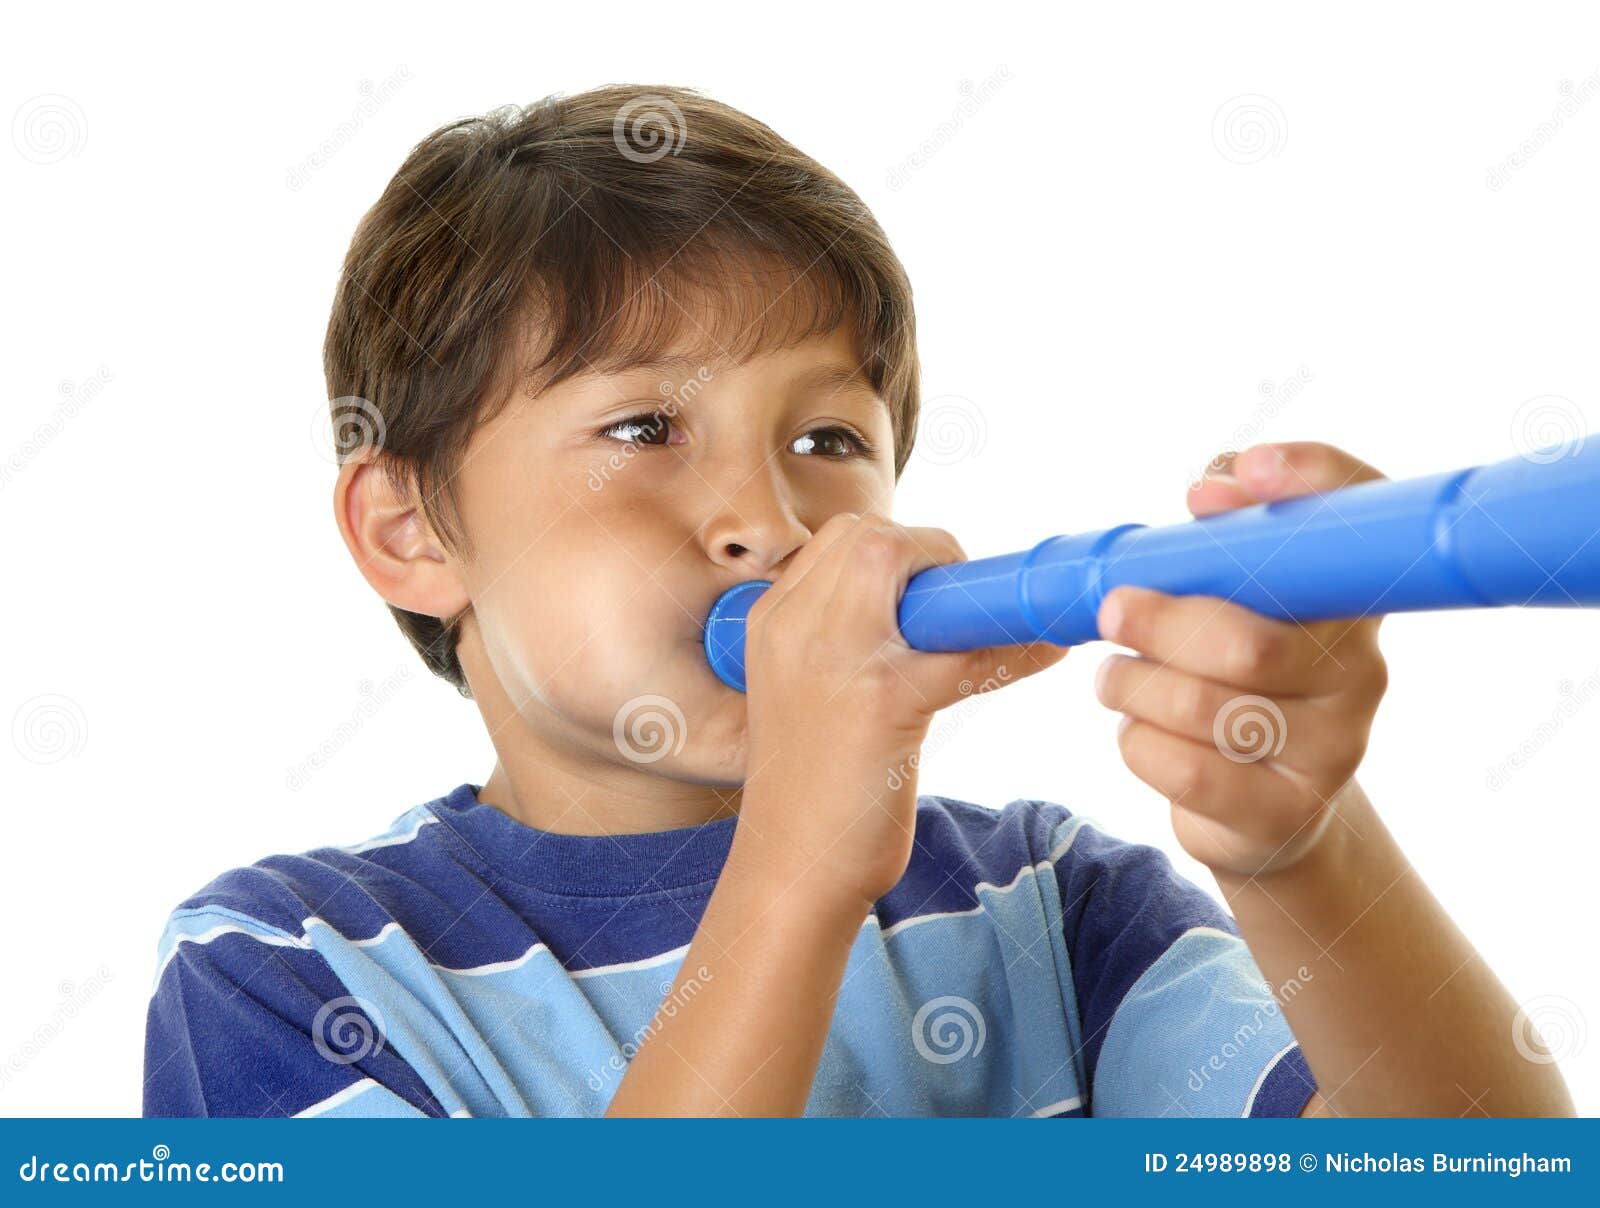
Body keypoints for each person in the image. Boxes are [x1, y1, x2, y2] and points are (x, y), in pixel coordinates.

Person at [142, 84, 1573, 1118]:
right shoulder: (285, 969)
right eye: (644, 429)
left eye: (829, 440)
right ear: (409, 534)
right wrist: (800, 861)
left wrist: (1297, 845)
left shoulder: (1047, 905)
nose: (768, 520)